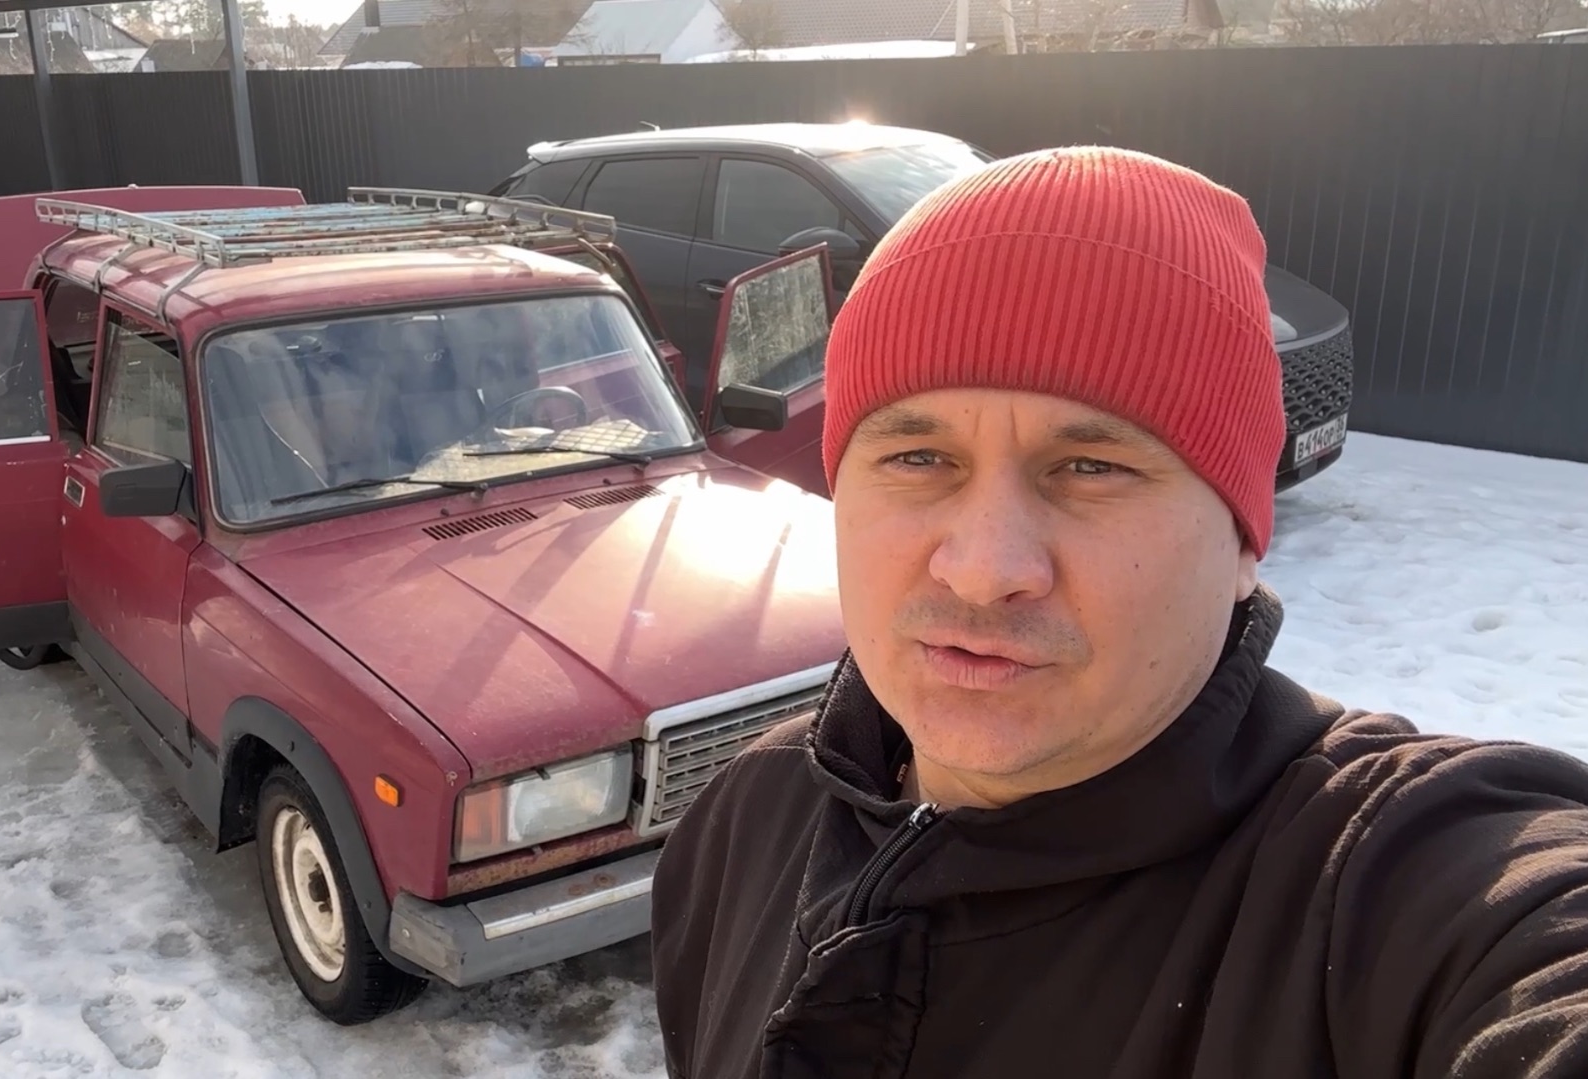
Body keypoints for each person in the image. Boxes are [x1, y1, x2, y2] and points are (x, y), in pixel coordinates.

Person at [648, 145, 1588, 1078]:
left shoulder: (1388, 883)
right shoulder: (745, 823)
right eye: (917, 458)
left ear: (1240, 542)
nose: (982, 571)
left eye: (1090, 466)